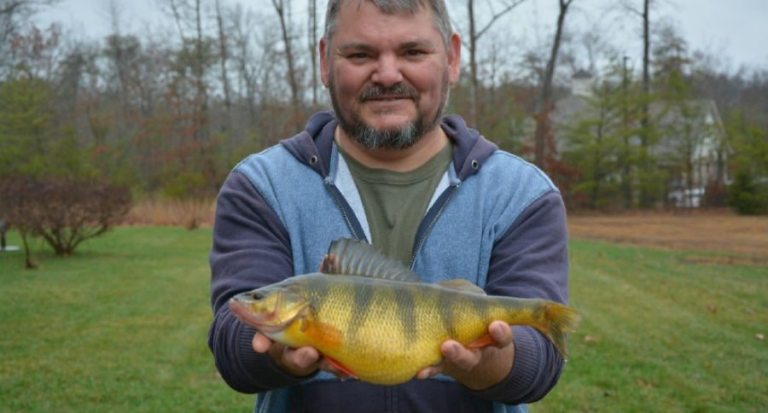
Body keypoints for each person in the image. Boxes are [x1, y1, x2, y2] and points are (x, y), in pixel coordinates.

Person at [208, 0, 570, 412]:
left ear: (451, 57)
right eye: (360, 54)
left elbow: (541, 361)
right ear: (325, 61)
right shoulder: (261, 186)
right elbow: (232, 343)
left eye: (412, 52)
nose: (387, 74)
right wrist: (272, 355)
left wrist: (486, 360)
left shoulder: (521, 194)